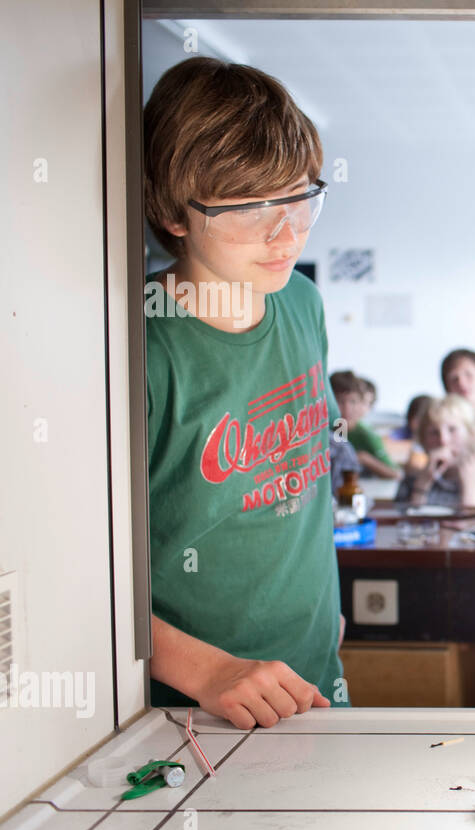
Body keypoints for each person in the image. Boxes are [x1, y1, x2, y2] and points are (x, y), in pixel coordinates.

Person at [142, 57, 345, 729]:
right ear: (175, 212)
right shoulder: (137, 352)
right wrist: (209, 671)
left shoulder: (302, 303)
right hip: (198, 710)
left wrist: (324, 616)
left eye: (297, 197)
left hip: (315, 677)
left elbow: (301, 481)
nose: (286, 232)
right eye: (251, 209)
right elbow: (72, 576)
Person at [397, 394, 475, 509]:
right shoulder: (409, 484)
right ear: (424, 440)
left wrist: (471, 492)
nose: (443, 440)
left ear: (471, 434)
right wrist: (421, 486)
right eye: (434, 433)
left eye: (452, 429)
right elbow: (404, 528)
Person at [330, 370, 402, 481]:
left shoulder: (366, 436)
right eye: (339, 401)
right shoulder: (325, 431)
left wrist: (364, 458)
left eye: (353, 402)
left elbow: (396, 473)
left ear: (361, 403)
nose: (347, 409)